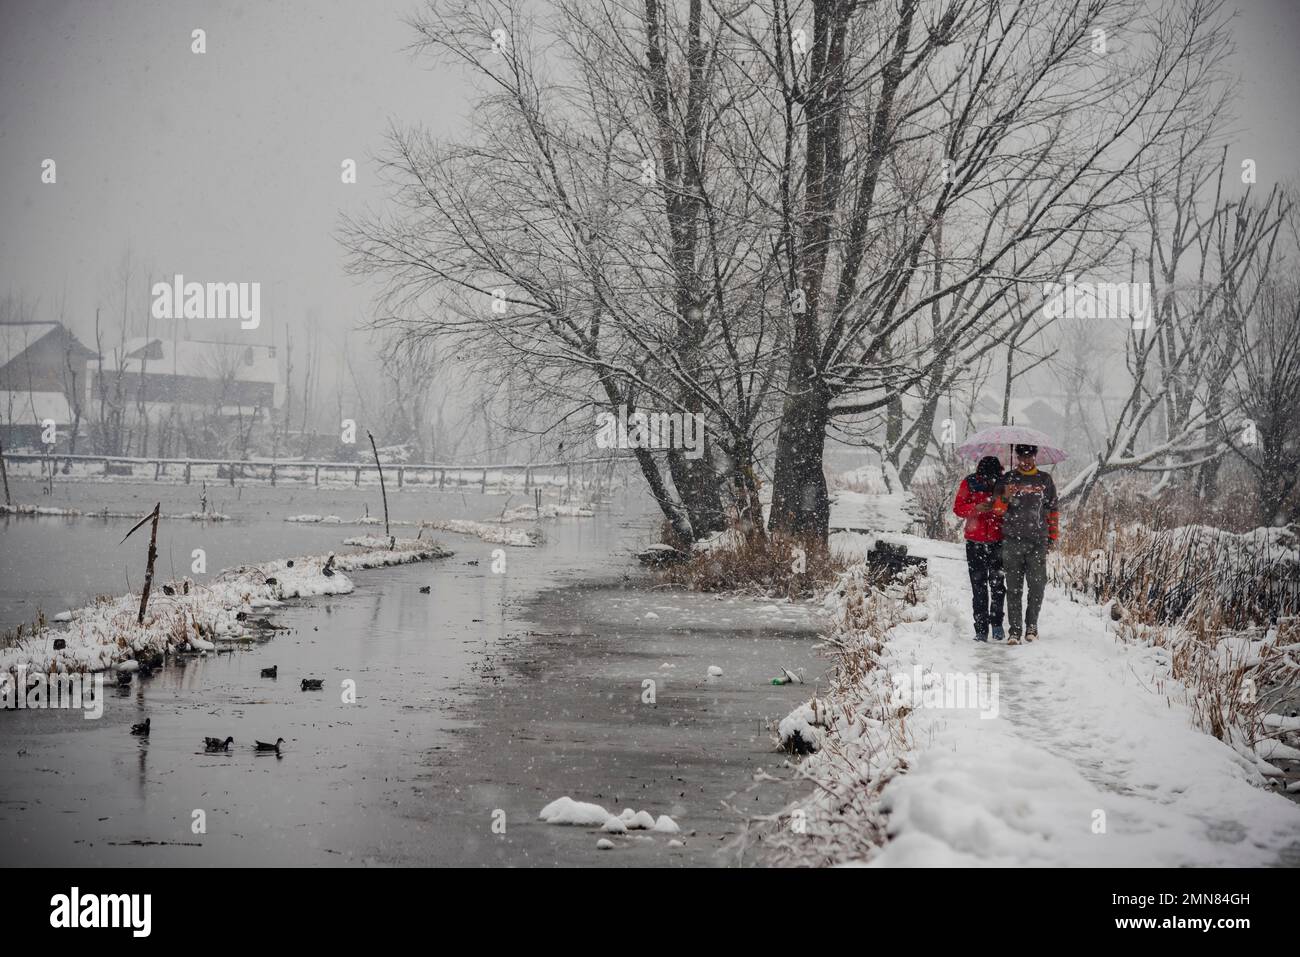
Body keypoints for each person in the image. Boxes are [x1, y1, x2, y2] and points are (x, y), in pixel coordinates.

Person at [994, 444, 1059, 644]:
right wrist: (1006, 496)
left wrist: (1053, 536)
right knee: (1013, 588)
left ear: (1035, 457)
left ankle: (1032, 626)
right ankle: (1015, 630)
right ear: (1017, 456)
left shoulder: (1045, 480)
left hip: (1037, 541)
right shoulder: (1008, 479)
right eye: (1022, 457)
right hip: (1012, 541)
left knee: (1037, 585)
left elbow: (1053, 508)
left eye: (1029, 456)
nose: (1025, 460)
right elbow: (997, 510)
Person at [952, 455, 1007, 642]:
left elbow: (1010, 509)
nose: (988, 480)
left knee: (998, 585)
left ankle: (997, 624)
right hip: (975, 542)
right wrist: (977, 508)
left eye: (991, 476)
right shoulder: (970, 482)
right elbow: (958, 508)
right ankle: (981, 629)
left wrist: (998, 506)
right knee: (979, 587)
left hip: (998, 541)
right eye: (985, 476)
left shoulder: (1004, 483)